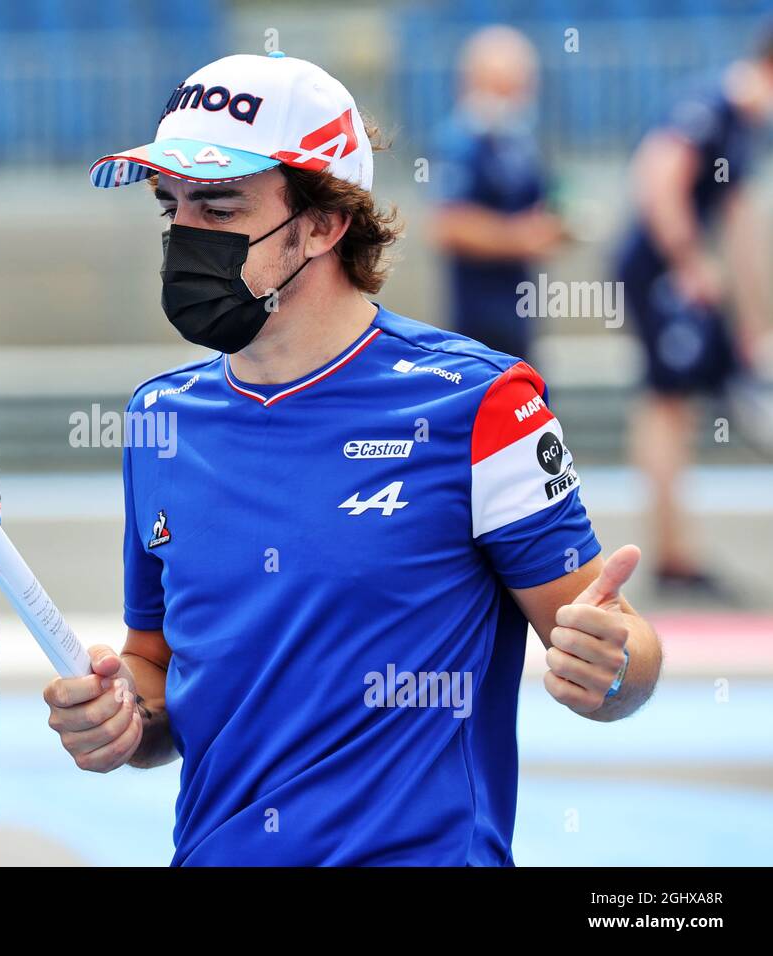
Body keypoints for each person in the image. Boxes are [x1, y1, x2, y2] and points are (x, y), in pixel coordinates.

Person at [49, 52, 661, 865]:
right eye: (173, 208)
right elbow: (153, 664)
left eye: (221, 207)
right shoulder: (160, 416)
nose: (186, 237)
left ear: (325, 222)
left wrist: (615, 667)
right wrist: (120, 717)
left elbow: (615, 640)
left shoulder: (478, 402)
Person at [616, 31, 773, 596]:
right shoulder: (709, 105)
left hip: (689, 278)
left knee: (679, 408)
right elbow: (658, 178)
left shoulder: (744, 125)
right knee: (666, 402)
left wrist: (753, 319)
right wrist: (688, 261)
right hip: (662, 273)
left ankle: (679, 548)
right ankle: (671, 554)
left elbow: (739, 226)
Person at [430, 25, 564, 361]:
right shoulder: (460, 143)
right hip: (478, 318)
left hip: (521, 308)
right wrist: (519, 238)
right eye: (504, 88)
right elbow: (448, 226)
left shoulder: (521, 143)